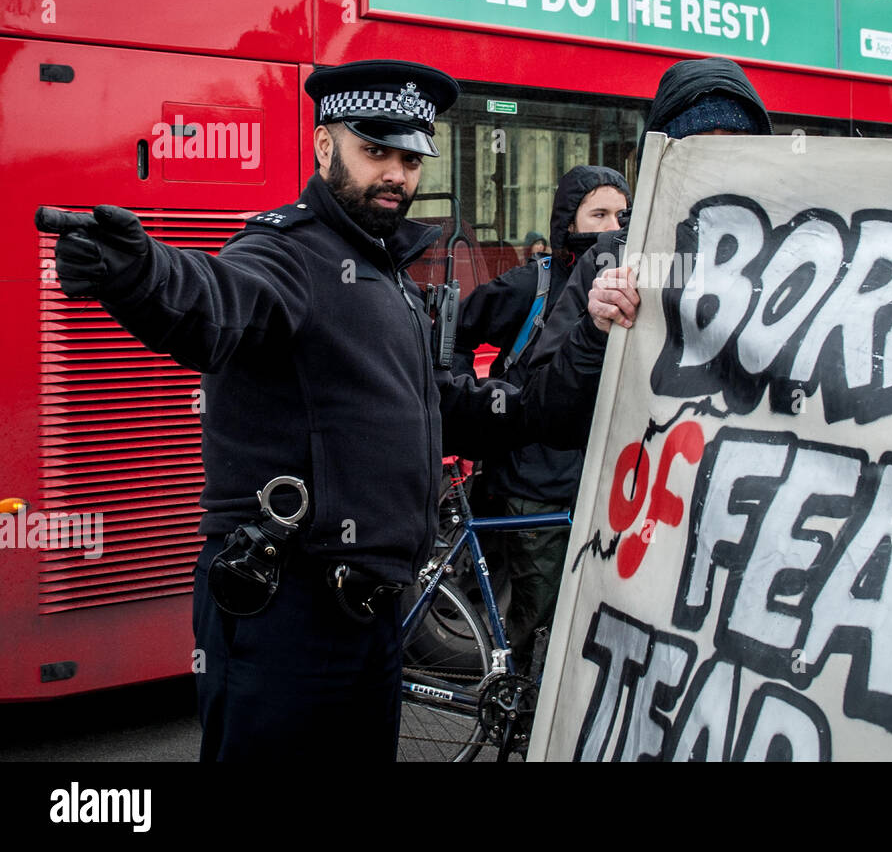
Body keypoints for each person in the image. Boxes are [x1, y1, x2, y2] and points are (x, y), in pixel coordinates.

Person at [34, 59, 640, 762]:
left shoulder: (386, 273)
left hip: (370, 626)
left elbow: (470, 408)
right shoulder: (286, 252)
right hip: (287, 623)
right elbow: (216, 301)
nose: (397, 175)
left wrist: (591, 334)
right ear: (325, 147)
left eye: (411, 158)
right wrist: (138, 275)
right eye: (374, 150)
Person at [452, 165, 631, 674]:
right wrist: (483, 406)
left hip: (604, 484)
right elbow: (454, 337)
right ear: (567, 220)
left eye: (622, 214)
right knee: (537, 619)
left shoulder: (635, 275)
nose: (612, 226)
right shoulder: (533, 283)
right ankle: (520, 717)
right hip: (536, 483)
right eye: (597, 214)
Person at [528, 57, 771, 375]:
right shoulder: (611, 258)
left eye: (735, 146)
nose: (721, 166)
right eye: (699, 148)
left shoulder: (797, 255)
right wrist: (593, 332)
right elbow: (538, 410)